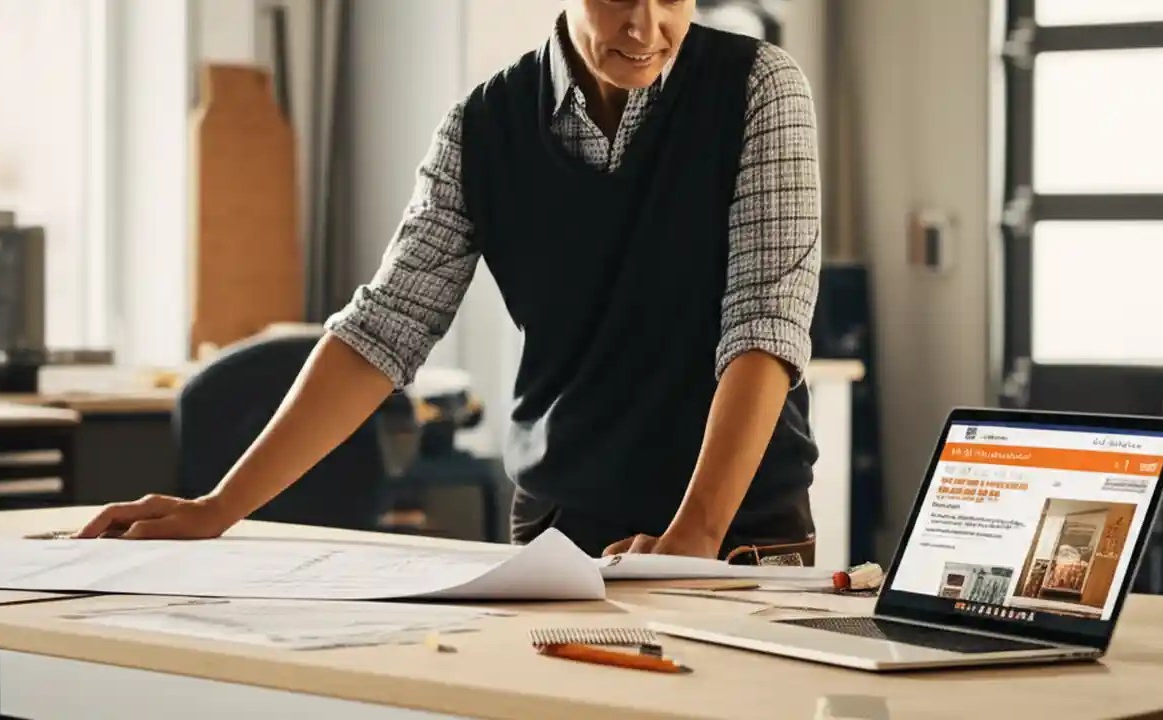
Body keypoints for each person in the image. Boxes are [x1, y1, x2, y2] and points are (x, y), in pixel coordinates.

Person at [77, 0, 822, 561]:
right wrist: (218, 506)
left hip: (736, 540)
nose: (646, 25)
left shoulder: (760, 88)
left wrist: (693, 536)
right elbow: (381, 331)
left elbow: (764, 326)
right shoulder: (480, 127)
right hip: (559, 542)